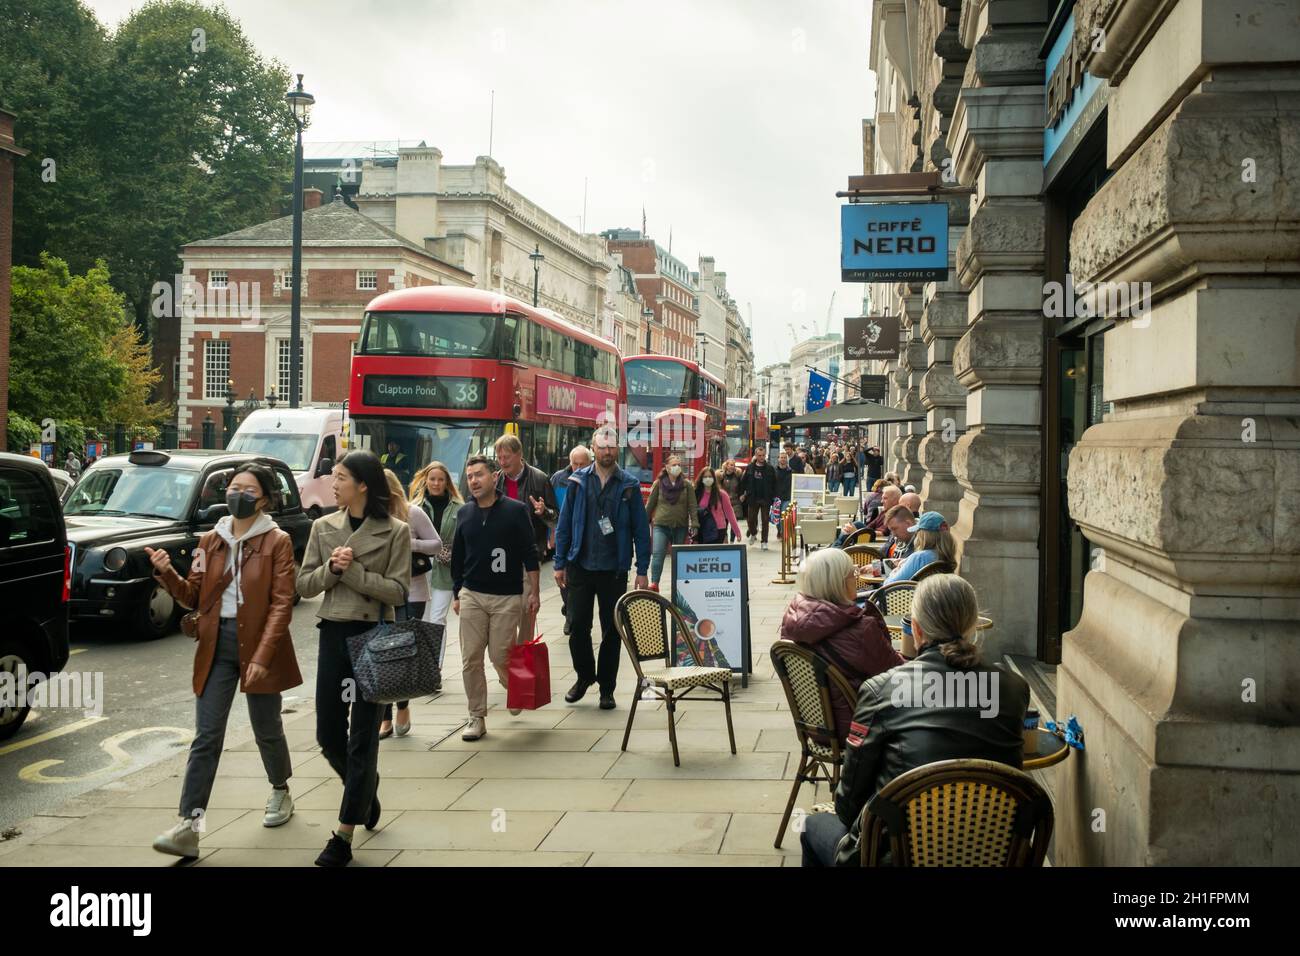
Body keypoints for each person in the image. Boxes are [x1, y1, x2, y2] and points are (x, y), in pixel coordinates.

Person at [801, 574, 1029, 866]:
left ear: (917, 629)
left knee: (810, 826)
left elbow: (848, 805)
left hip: (900, 856)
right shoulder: (1013, 688)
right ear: (973, 627)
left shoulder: (881, 689)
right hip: (994, 854)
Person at [147, 463, 302, 859]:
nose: (239, 495)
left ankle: (280, 790)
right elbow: (194, 597)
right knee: (206, 736)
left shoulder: (276, 541)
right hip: (216, 644)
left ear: (264, 498)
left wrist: (263, 656)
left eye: (248, 489)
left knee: (266, 727)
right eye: (233, 487)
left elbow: (282, 604)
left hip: (260, 643)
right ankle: (189, 825)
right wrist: (167, 574)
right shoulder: (208, 541)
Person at [298, 451, 411, 867]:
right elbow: (304, 585)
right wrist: (331, 568)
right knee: (329, 734)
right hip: (334, 633)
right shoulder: (322, 527)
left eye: (341, 477)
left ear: (363, 484)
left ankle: (342, 838)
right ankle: (365, 790)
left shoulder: (395, 531)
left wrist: (356, 573)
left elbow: (399, 592)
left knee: (362, 738)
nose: (333, 482)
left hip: (373, 637)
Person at [554, 426, 651, 710]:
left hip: (614, 569)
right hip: (580, 565)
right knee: (577, 626)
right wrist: (559, 563)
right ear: (593, 448)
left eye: (611, 447)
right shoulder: (577, 481)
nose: (607, 451)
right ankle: (585, 676)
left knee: (612, 631)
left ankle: (607, 688)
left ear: (617, 449)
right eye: (602, 446)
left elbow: (640, 530)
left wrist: (642, 569)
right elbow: (564, 525)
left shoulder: (629, 484)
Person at [452, 455, 541, 741]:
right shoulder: (464, 513)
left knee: (501, 654)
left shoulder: (515, 510)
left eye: (479, 475)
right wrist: (457, 592)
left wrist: (534, 592)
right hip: (472, 594)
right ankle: (476, 716)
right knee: (471, 658)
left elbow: (530, 552)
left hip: (506, 596)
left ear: (494, 477)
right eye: (470, 477)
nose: (474, 481)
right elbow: (457, 556)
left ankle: (515, 685)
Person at [780, 548, 903, 743]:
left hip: (815, 725)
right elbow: (898, 675)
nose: (856, 578)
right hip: (859, 727)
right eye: (852, 574)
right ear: (838, 583)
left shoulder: (794, 620)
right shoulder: (861, 629)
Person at [379, 469, 442, 740]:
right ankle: (384, 717)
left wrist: (410, 542)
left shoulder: (412, 513)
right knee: (382, 656)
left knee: (401, 655)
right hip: (380, 594)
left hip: (412, 593)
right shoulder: (370, 516)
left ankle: (402, 706)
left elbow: (436, 544)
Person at [494, 434, 558, 640]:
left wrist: (544, 512)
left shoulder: (539, 479)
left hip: (527, 554)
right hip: (500, 555)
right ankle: (508, 655)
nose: (502, 462)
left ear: (519, 455)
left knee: (526, 609)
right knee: (503, 613)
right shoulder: (495, 481)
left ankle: (524, 657)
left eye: (507, 457)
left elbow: (556, 518)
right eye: (499, 457)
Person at [409, 461, 461, 690]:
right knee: (421, 621)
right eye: (432, 479)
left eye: (441, 479)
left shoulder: (459, 507)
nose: (436, 483)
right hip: (420, 569)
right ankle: (422, 668)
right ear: (425, 481)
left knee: (437, 620)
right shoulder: (416, 506)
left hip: (446, 571)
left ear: (447, 482)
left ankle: (434, 671)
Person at [550, 446, 593, 634]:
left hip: (585, 537)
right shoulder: (558, 479)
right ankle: (569, 610)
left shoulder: (594, 479)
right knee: (564, 576)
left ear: (590, 463)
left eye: (581, 464)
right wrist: (549, 533)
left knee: (577, 579)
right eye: (574, 464)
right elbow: (550, 507)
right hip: (563, 534)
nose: (577, 468)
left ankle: (572, 613)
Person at [646, 454, 697, 591]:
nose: (677, 467)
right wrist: (643, 522)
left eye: (679, 464)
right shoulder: (659, 483)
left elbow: (692, 506)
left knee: (679, 556)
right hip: (661, 525)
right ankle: (654, 583)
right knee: (658, 553)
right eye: (674, 465)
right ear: (667, 467)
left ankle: (679, 583)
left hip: (680, 525)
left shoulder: (687, 485)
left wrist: (695, 524)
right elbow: (650, 504)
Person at [883, 511, 959, 584]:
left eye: (918, 532)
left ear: (923, 535)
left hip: (913, 596)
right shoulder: (946, 557)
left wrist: (895, 571)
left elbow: (889, 585)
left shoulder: (919, 558)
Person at [738, 445, 777, 549]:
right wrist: (742, 494)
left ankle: (764, 541)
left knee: (765, 521)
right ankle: (753, 533)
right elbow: (743, 482)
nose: (761, 457)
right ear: (755, 455)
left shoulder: (770, 468)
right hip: (752, 497)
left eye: (763, 455)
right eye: (759, 455)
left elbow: (774, 483)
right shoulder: (750, 467)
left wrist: (774, 496)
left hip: (765, 498)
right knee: (751, 519)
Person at [695, 466, 743, 544]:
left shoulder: (722, 494)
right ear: (701, 479)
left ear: (714, 478)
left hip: (719, 529)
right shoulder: (697, 493)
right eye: (705, 477)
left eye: (710, 476)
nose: (708, 479)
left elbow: (730, 513)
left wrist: (737, 531)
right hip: (702, 529)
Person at [718, 460, 744, 542]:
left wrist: (743, 495)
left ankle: (732, 541)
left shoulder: (738, 476)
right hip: (724, 503)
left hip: (735, 502)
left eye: (734, 465)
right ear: (726, 466)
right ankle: (725, 539)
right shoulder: (721, 476)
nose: (732, 467)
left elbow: (742, 486)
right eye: (731, 465)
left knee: (734, 522)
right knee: (724, 523)